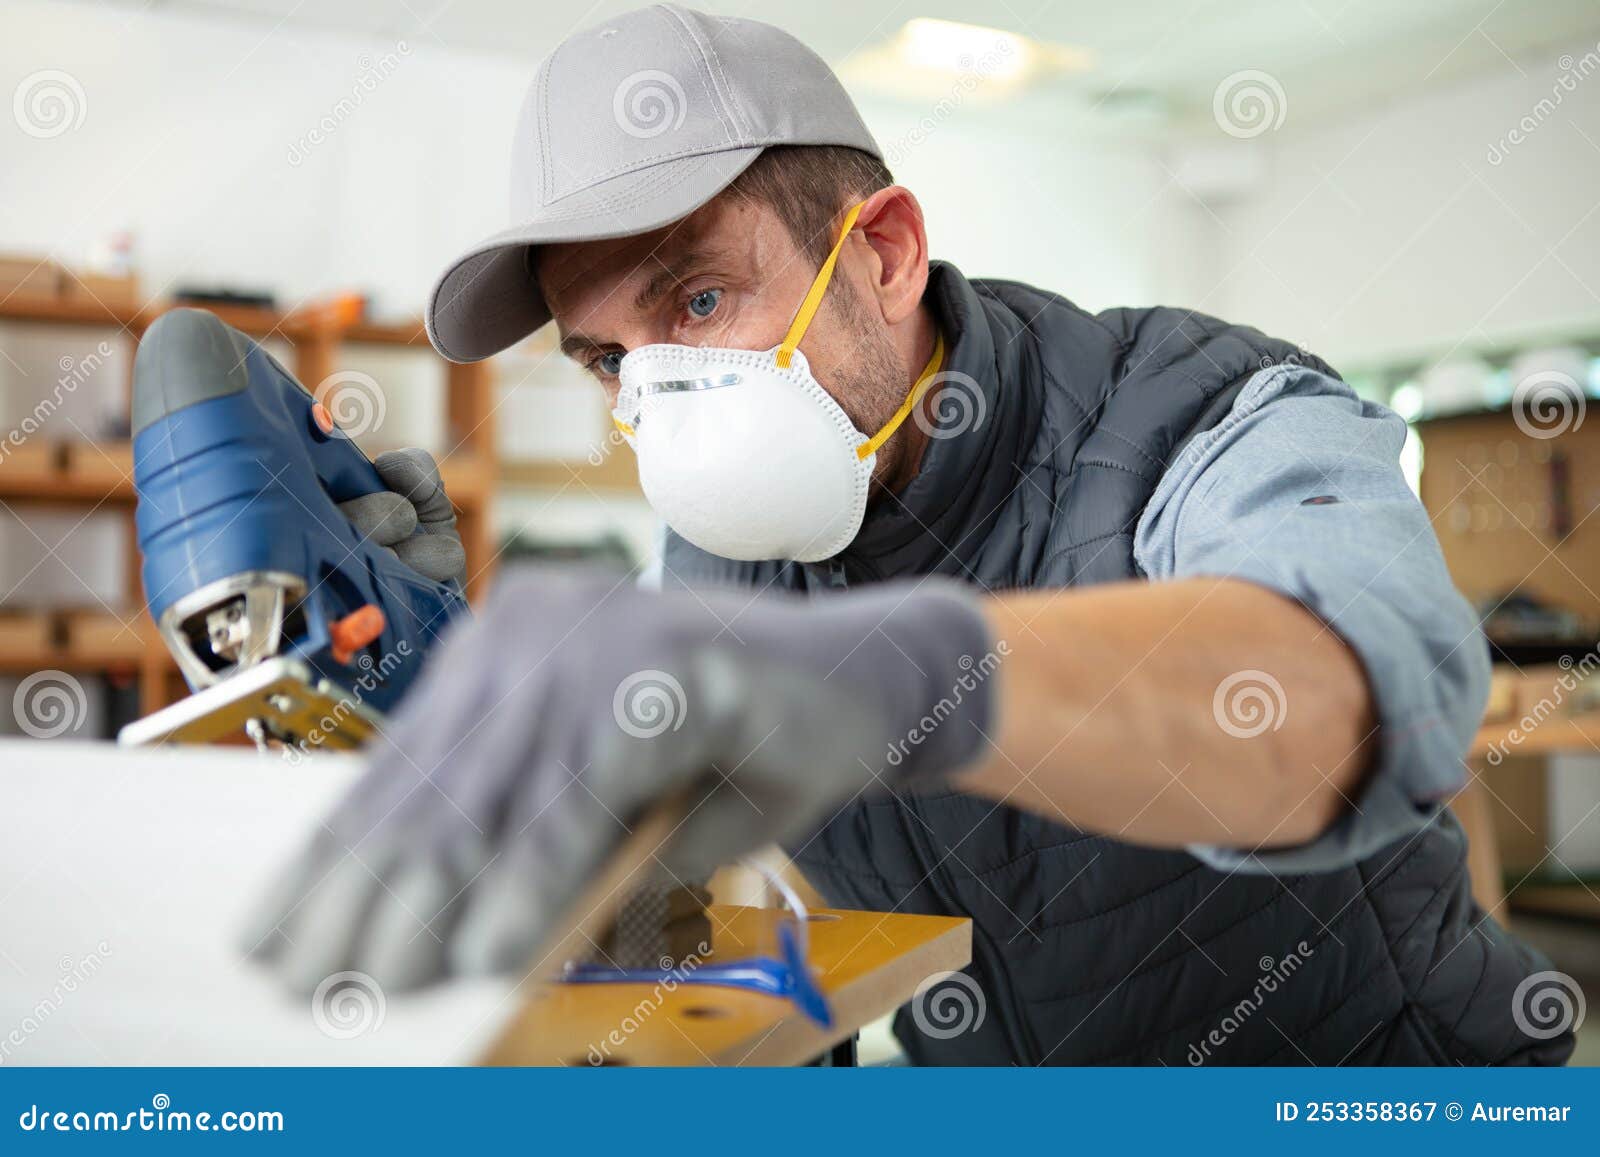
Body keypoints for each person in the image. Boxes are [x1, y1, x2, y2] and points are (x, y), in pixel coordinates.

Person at [250, 3, 1571, 1065]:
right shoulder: (726, 552)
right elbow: (681, 900)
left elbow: (1358, 702)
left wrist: (893, 672)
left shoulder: (1205, 414)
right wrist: (425, 704)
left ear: (882, 254)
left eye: (700, 297)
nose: (653, 395)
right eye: (606, 359)